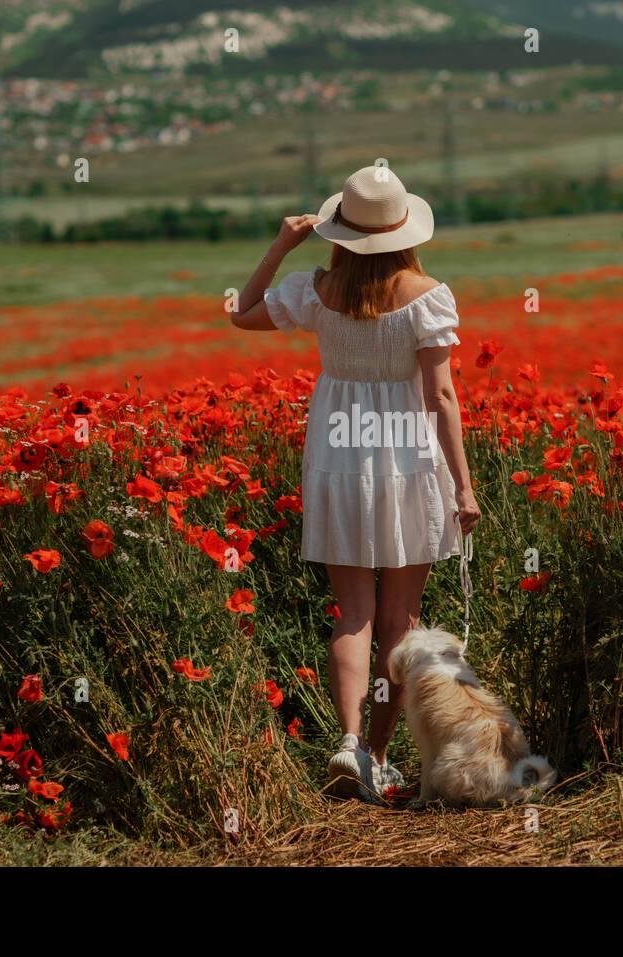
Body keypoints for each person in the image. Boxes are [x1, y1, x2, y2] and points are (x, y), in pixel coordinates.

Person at [229, 166, 481, 799]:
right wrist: (465, 486)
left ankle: (347, 744)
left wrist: (282, 244)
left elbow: (241, 314)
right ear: (404, 229)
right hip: (407, 458)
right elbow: (441, 394)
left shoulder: (316, 290)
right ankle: (377, 752)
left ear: (340, 230)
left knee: (353, 612)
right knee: (402, 619)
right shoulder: (427, 295)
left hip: (337, 453)